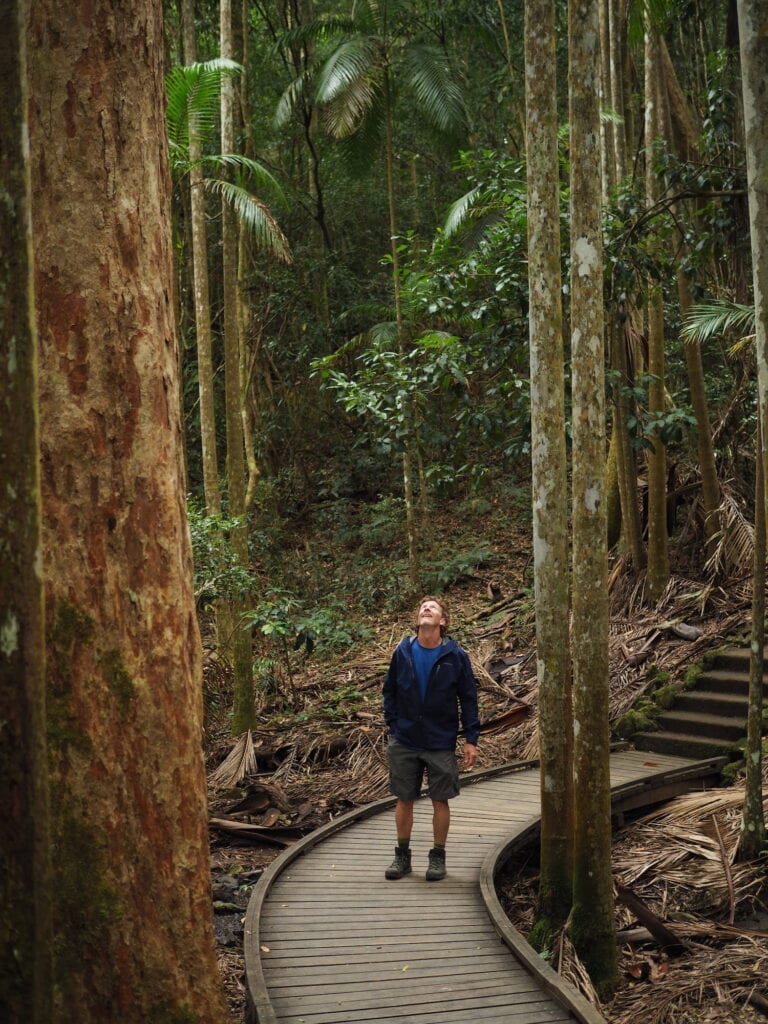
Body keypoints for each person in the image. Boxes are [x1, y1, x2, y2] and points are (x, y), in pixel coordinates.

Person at [382, 596, 480, 881]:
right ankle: (402, 857)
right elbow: (390, 690)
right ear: (417, 620)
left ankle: (437, 857)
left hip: (440, 739)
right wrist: (393, 721)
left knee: (441, 799)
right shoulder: (403, 651)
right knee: (404, 798)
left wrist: (471, 738)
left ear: (443, 621)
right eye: (422, 607)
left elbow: (468, 698)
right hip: (406, 737)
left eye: (433, 607)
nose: (426, 609)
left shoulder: (456, 656)